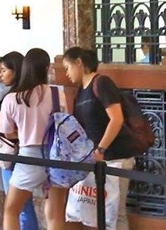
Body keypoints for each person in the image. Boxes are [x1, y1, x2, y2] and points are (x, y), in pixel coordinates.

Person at [62, 47, 139, 230]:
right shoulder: (81, 91)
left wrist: (101, 149)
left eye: (68, 67)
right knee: (97, 213)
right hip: (97, 160)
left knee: (115, 213)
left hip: (115, 157)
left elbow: (116, 119)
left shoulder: (101, 83)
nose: (67, 73)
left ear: (79, 63)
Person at [0, 48, 67, 230]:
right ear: (47, 67)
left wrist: (23, 133)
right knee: (55, 215)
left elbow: (6, 132)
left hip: (29, 156)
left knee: (11, 210)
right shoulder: (56, 93)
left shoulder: (13, 98)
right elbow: (64, 124)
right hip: (56, 156)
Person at [0, 51, 38, 230]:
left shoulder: (12, 98)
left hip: (13, 156)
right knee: (24, 205)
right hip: (27, 154)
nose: (1, 74)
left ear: (15, 71)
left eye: (3, 70)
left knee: (17, 207)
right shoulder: (30, 94)